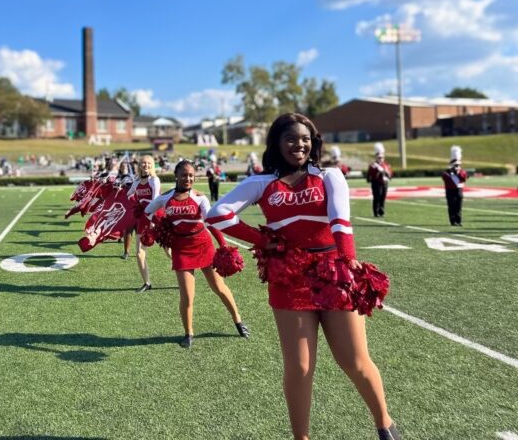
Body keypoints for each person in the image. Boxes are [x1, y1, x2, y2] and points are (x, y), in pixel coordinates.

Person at [207, 113, 400, 440]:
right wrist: (263, 240)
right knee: (299, 367)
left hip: (333, 273)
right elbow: (217, 214)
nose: (299, 145)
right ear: (277, 144)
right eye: (291, 139)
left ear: (314, 143)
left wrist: (349, 259)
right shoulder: (262, 182)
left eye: (304, 139)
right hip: (289, 279)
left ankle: (384, 424)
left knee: (353, 360)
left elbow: (341, 219)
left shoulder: (328, 175)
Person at [145, 160, 249, 348]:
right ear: (176, 176)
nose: (188, 178)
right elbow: (146, 212)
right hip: (181, 249)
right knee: (187, 295)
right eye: (184, 175)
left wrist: (223, 245)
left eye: (191, 175)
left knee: (219, 287)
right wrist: (159, 227)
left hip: (203, 244)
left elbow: (210, 222)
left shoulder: (200, 197)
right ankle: (188, 333)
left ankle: (238, 321)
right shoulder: (165, 198)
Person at [127, 155, 161, 292]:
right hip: (143, 218)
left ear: (152, 165)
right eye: (143, 163)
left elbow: (156, 200)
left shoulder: (154, 180)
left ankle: (184, 274)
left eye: (148, 163)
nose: (145, 165)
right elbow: (128, 194)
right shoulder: (136, 182)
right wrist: (136, 203)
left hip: (156, 217)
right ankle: (147, 283)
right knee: (139, 253)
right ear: (139, 165)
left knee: (169, 251)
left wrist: (151, 219)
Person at [442, 145, 467, 226]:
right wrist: (451, 172)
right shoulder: (447, 172)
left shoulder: (462, 172)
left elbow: (463, 179)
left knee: (458, 207)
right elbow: (445, 178)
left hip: (459, 190)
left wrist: (458, 173)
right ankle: (452, 221)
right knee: (451, 206)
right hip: (450, 191)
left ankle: (458, 221)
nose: (457, 166)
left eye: (458, 165)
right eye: (456, 165)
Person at [367, 143, 392, 218]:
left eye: (381, 158)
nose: (380, 159)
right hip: (376, 183)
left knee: (383, 197)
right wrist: (378, 172)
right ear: (376, 157)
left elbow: (390, 175)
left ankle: (382, 211)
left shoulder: (386, 165)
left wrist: (387, 172)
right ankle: (376, 211)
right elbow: (371, 175)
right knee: (377, 197)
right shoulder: (373, 165)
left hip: (384, 183)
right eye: (379, 158)